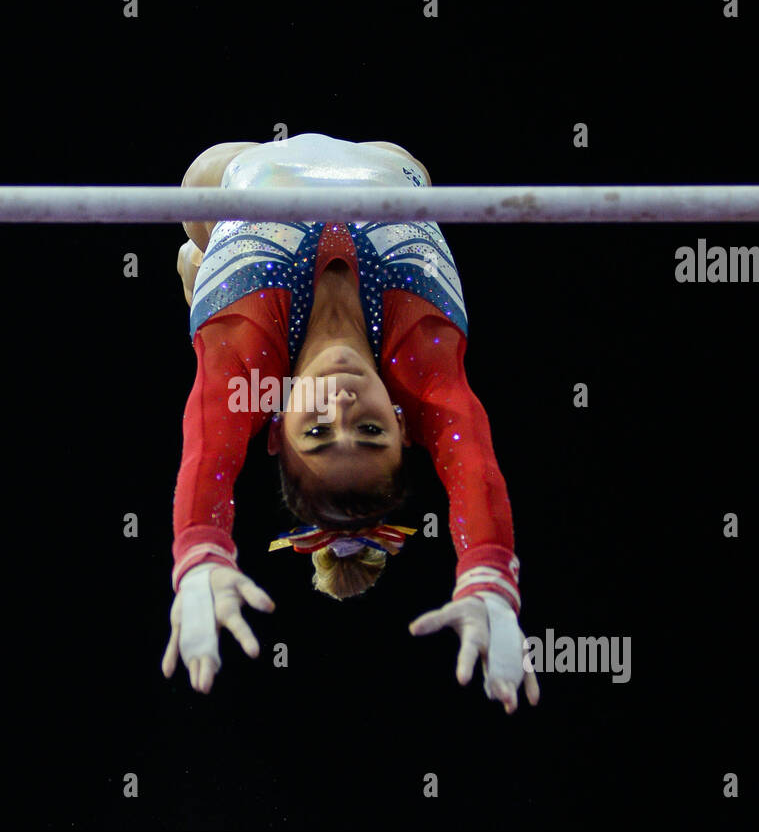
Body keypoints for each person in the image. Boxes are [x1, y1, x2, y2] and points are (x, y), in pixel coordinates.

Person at [161, 133, 539, 713]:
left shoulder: (248, 355)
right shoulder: (423, 357)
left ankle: (197, 266)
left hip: (240, 172)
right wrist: (488, 574)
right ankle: (194, 271)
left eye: (315, 434)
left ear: (274, 421)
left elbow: (209, 447)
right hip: (392, 162)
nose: (340, 407)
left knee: (196, 197)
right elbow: (472, 461)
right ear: (403, 422)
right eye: (370, 431)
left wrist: (200, 552)